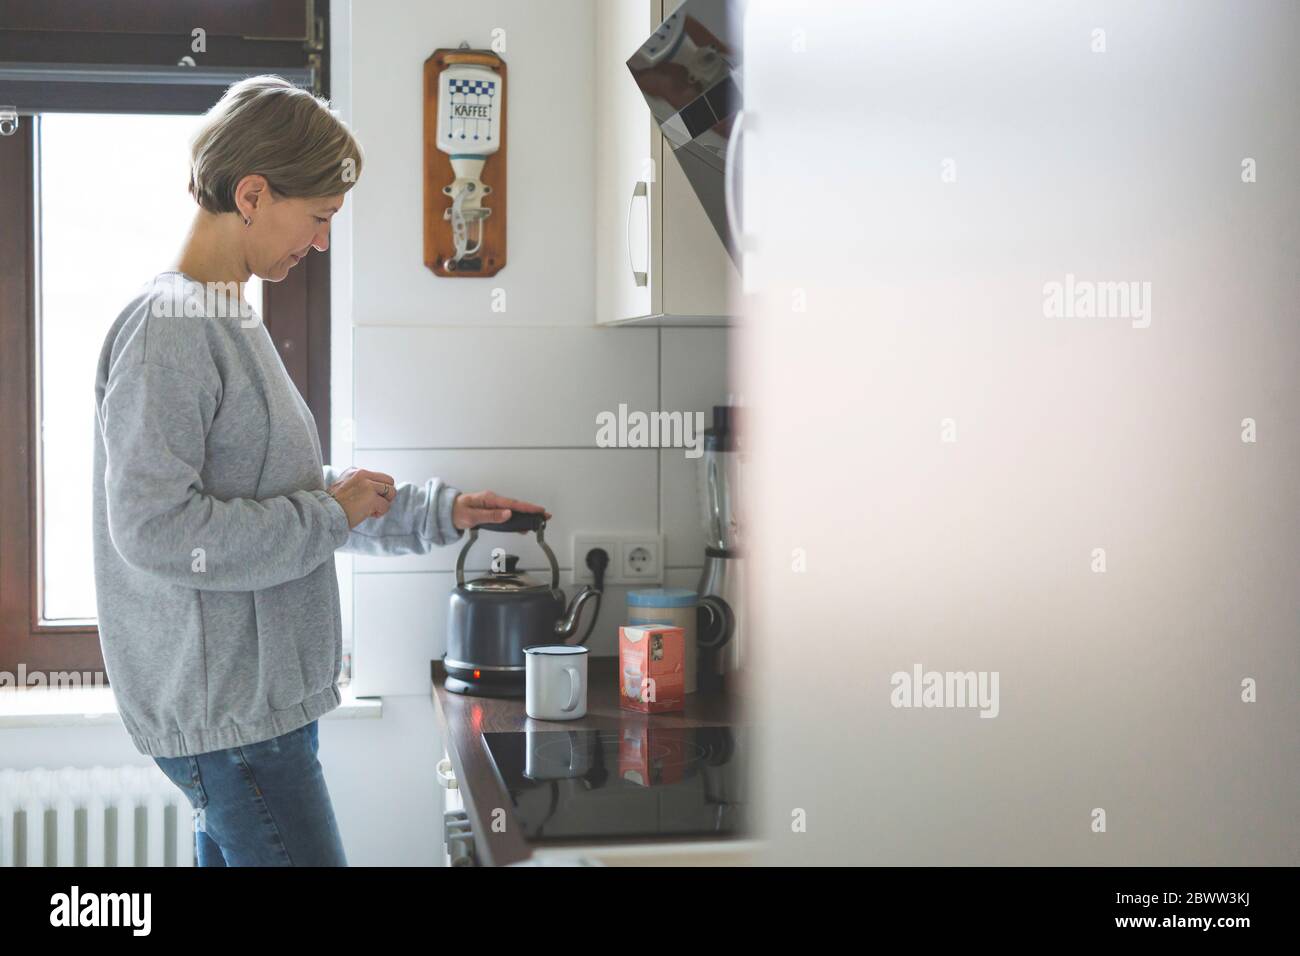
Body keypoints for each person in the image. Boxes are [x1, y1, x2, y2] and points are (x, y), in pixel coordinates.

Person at [90, 75, 549, 866]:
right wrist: (331, 513)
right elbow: (156, 527)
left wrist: (438, 511)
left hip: (249, 719)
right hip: (236, 724)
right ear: (254, 194)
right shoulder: (172, 327)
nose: (323, 243)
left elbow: (291, 492)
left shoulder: (225, 318)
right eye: (319, 218)